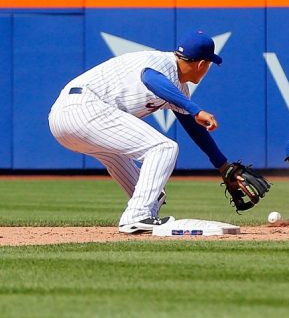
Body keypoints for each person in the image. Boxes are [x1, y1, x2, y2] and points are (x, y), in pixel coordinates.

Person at [48, 30, 248, 233]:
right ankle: (137, 215)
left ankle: (147, 210)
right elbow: (150, 79)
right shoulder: (161, 62)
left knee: (126, 168)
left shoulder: (178, 90)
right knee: (164, 148)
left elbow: (195, 128)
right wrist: (195, 108)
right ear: (202, 64)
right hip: (83, 107)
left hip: (65, 119)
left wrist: (223, 166)